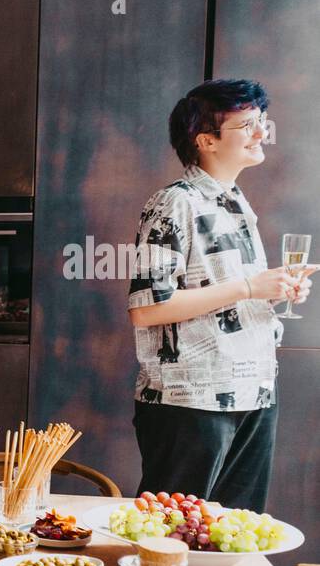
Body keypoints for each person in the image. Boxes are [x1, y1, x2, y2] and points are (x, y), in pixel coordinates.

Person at [128, 78, 313, 510]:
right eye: (247, 124)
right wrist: (250, 286)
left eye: (262, 121)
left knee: (235, 537)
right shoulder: (173, 202)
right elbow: (149, 308)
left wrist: (271, 291)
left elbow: (221, 297)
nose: (261, 132)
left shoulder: (235, 201)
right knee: (169, 536)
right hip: (190, 400)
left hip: (254, 390)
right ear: (206, 140)